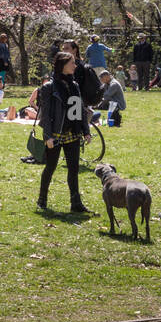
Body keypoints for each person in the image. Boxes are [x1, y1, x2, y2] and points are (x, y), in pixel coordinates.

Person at [35, 52, 92, 214]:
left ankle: (76, 203)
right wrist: (48, 137)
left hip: (72, 132)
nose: (75, 65)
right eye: (72, 63)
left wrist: (85, 131)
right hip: (55, 133)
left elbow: (79, 109)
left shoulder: (74, 85)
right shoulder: (48, 87)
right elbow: (45, 114)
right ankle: (42, 200)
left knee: (73, 169)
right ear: (62, 65)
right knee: (50, 167)